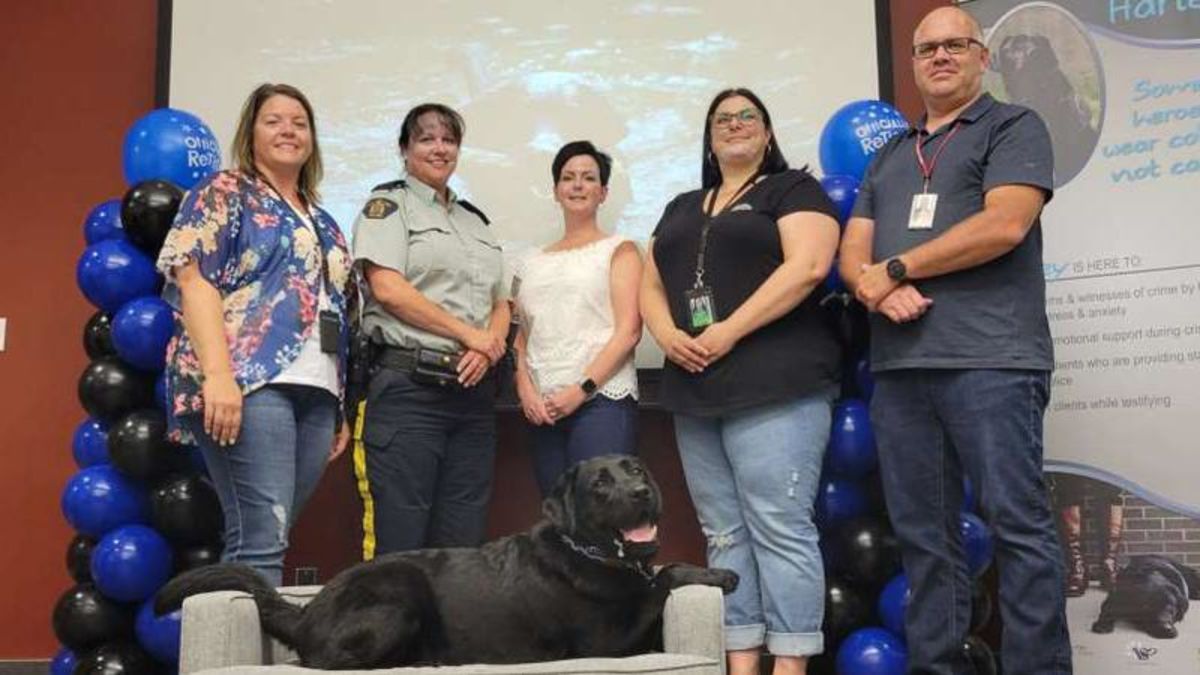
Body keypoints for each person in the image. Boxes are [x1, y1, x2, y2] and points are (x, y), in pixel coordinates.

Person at [839, 7, 1072, 673]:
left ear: (981, 57)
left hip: (993, 362)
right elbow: (855, 253)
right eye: (927, 49)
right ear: (912, 64)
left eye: (955, 45)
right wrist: (875, 282)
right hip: (903, 370)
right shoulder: (889, 155)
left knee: (1019, 528)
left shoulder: (1014, 127)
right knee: (923, 540)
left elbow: (1004, 225)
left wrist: (896, 268)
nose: (940, 57)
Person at [640, 88, 841, 675]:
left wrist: (729, 330)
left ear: (768, 133)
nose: (734, 125)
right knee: (724, 535)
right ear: (709, 137)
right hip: (697, 388)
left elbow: (806, 268)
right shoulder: (681, 205)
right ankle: (742, 662)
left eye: (746, 116)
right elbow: (650, 281)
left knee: (780, 527)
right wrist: (666, 333)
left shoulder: (793, 190)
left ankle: (791, 664)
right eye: (722, 119)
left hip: (777, 383)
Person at [157, 83, 352, 587]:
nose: (288, 130)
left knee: (264, 532)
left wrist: (338, 405)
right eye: (274, 120)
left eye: (299, 122)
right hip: (248, 381)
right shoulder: (224, 191)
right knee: (261, 540)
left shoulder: (325, 220)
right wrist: (219, 376)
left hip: (316, 388)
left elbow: (334, 310)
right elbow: (192, 280)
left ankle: (237, 654)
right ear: (251, 132)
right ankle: (237, 664)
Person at [350, 103, 509, 558]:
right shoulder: (387, 207)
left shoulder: (474, 221)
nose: (439, 148)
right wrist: (469, 335)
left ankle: (447, 633)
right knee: (399, 544)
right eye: (426, 138)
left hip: (473, 397)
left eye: (448, 139)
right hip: (409, 394)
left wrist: (489, 346)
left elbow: (502, 301)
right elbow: (387, 288)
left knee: (462, 548)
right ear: (405, 149)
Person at [511, 141, 642, 496]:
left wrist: (580, 390)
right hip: (543, 408)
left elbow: (629, 332)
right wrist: (525, 390)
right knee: (558, 520)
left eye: (588, 178)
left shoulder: (621, 249)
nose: (578, 185)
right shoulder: (529, 261)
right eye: (568, 178)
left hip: (600, 402)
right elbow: (521, 337)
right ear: (555, 191)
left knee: (602, 513)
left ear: (603, 192)